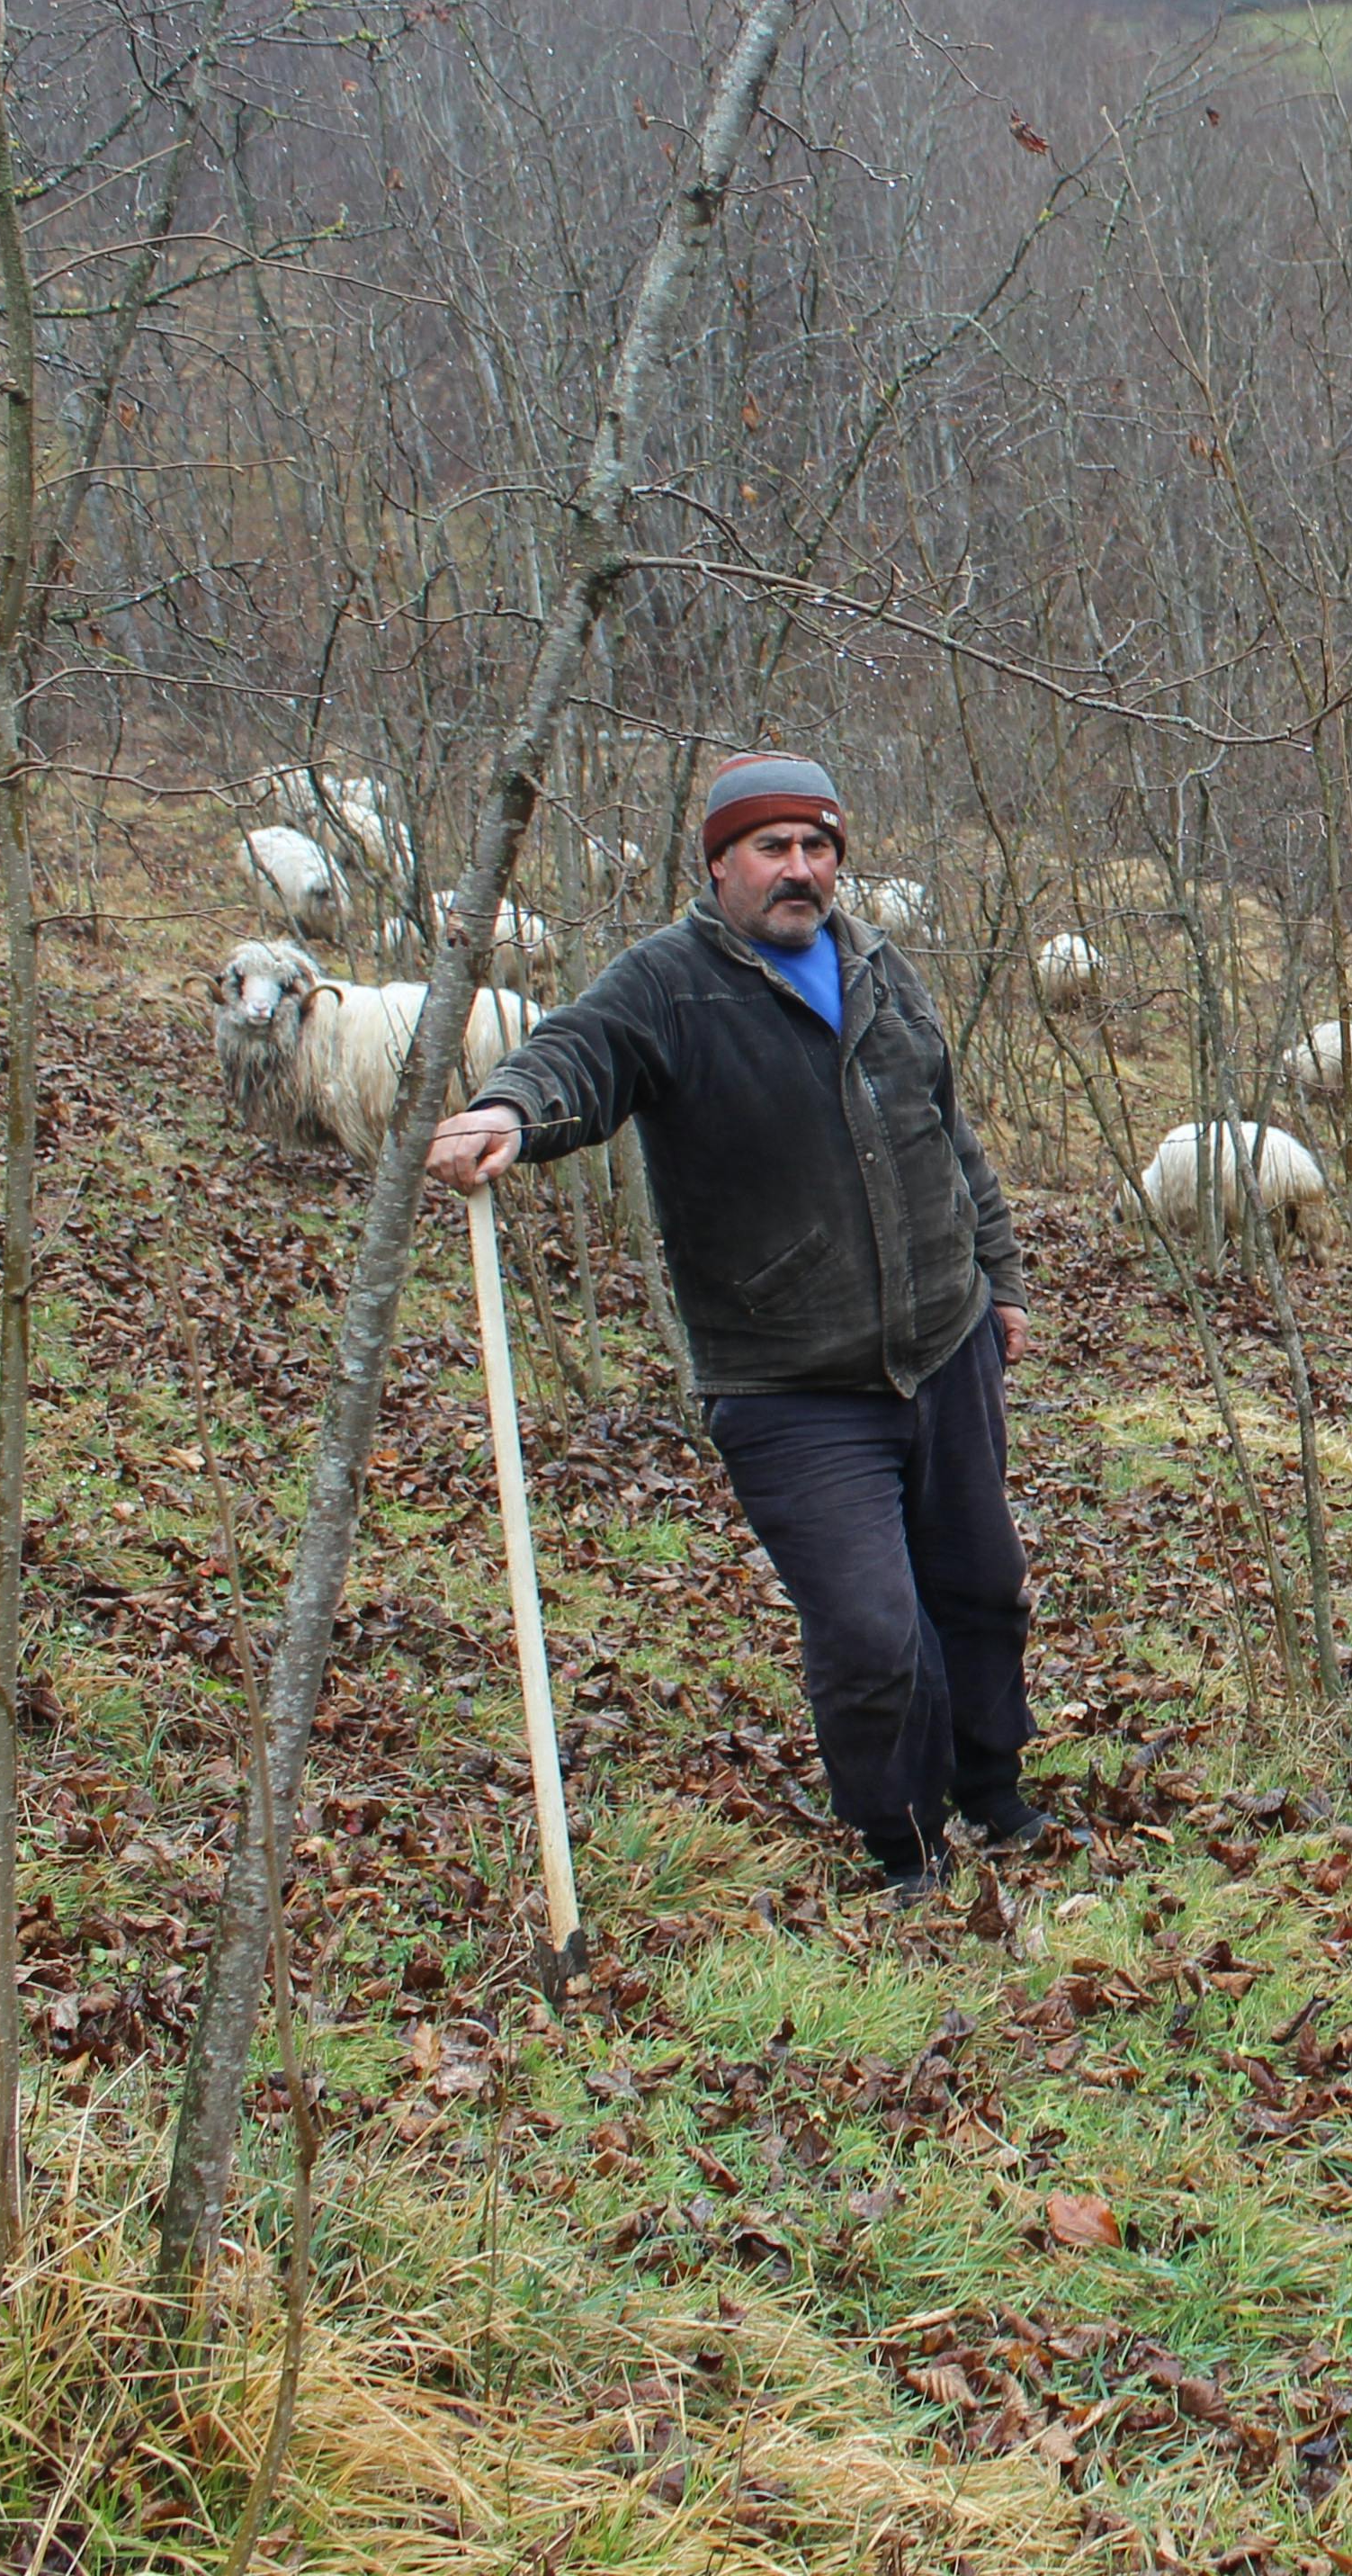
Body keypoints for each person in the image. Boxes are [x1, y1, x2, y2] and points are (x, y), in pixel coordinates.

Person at [425, 750, 1050, 1897]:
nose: (798, 870)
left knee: (980, 1583)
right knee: (870, 1628)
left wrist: (999, 1283)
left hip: (943, 1344)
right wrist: (512, 1107)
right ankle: (901, 1846)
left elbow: (949, 1139)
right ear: (718, 863)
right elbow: (583, 1051)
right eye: (772, 848)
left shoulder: (879, 967)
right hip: (790, 1382)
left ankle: (992, 1791)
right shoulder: (668, 985)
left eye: (817, 848)